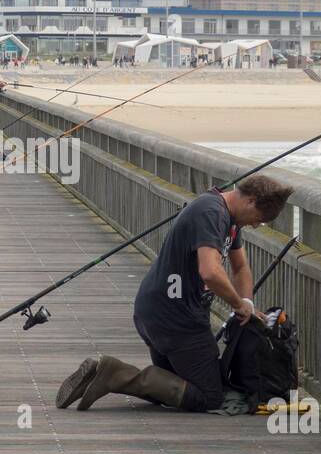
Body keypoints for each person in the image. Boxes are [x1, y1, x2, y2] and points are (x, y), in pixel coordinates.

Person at [55, 175, 294, 413]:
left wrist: (247, 302)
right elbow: (210, 271)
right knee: (210, 397)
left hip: (157, 312)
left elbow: (240, 267)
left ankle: (98, 376)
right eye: (259, 220)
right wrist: (236, 304)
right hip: (177, 320)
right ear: (251, 201)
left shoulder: (230, 218)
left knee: (177, 387)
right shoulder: (212, 213)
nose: (254, 225)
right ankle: (115, 374)